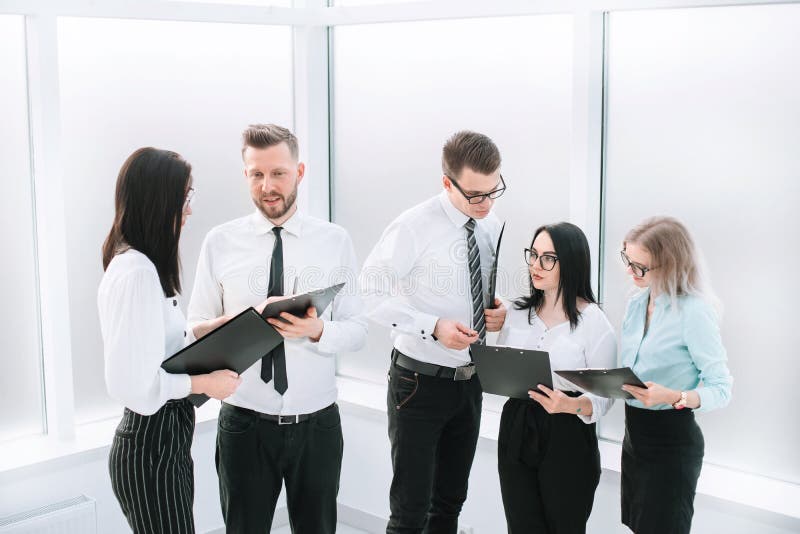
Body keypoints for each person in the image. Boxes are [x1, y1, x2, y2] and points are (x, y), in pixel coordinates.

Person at [187, 124, 367, 533]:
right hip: (244, 424)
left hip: (317, 426)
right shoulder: (219, 242)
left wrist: (318, 331)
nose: (267, 185)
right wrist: (248, 317)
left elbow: (358, 330)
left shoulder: (335, 241)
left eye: (278, 173)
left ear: (299, 172)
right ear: (246, 174)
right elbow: (195, 327)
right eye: (256, 174)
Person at [360, 130, 507, 533]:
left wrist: (496, 311)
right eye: (475, 194)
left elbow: (477, 288)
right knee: (410, 511)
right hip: (417, 384)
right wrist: (432, 327)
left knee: (449, 504)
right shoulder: (413, 226)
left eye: (493, 191)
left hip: (470, 381)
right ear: (447, 182)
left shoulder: (490, 224)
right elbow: (367, 294)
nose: (486, 203)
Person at [98, 147, 241, 534]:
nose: (189, 209)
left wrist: (202, 331)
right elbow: (136, 387)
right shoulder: (138, 272)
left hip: (163, 444)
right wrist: (204, 383)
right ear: (160, 200)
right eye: (185, 197)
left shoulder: (140, 266)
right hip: (150, 448)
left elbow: (154, 346)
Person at [495, 222, 616, 534]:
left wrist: (570, 406)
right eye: (533, 255)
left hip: (568, 432)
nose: (536, 265)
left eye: (548, 258)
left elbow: (606, 398)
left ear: (571, 262)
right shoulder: (518, 313)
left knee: (565, 526)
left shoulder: (594, 323)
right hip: (518, 425)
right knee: (521, 526)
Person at [618, 216, 733, 534]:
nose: (630, 272)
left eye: (640, 267)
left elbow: (721, 388)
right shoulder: (637, 302)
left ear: (669, 265)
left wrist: (675, 396)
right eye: (628, 260)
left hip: (672, 445)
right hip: (634, 440)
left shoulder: (694, 312)